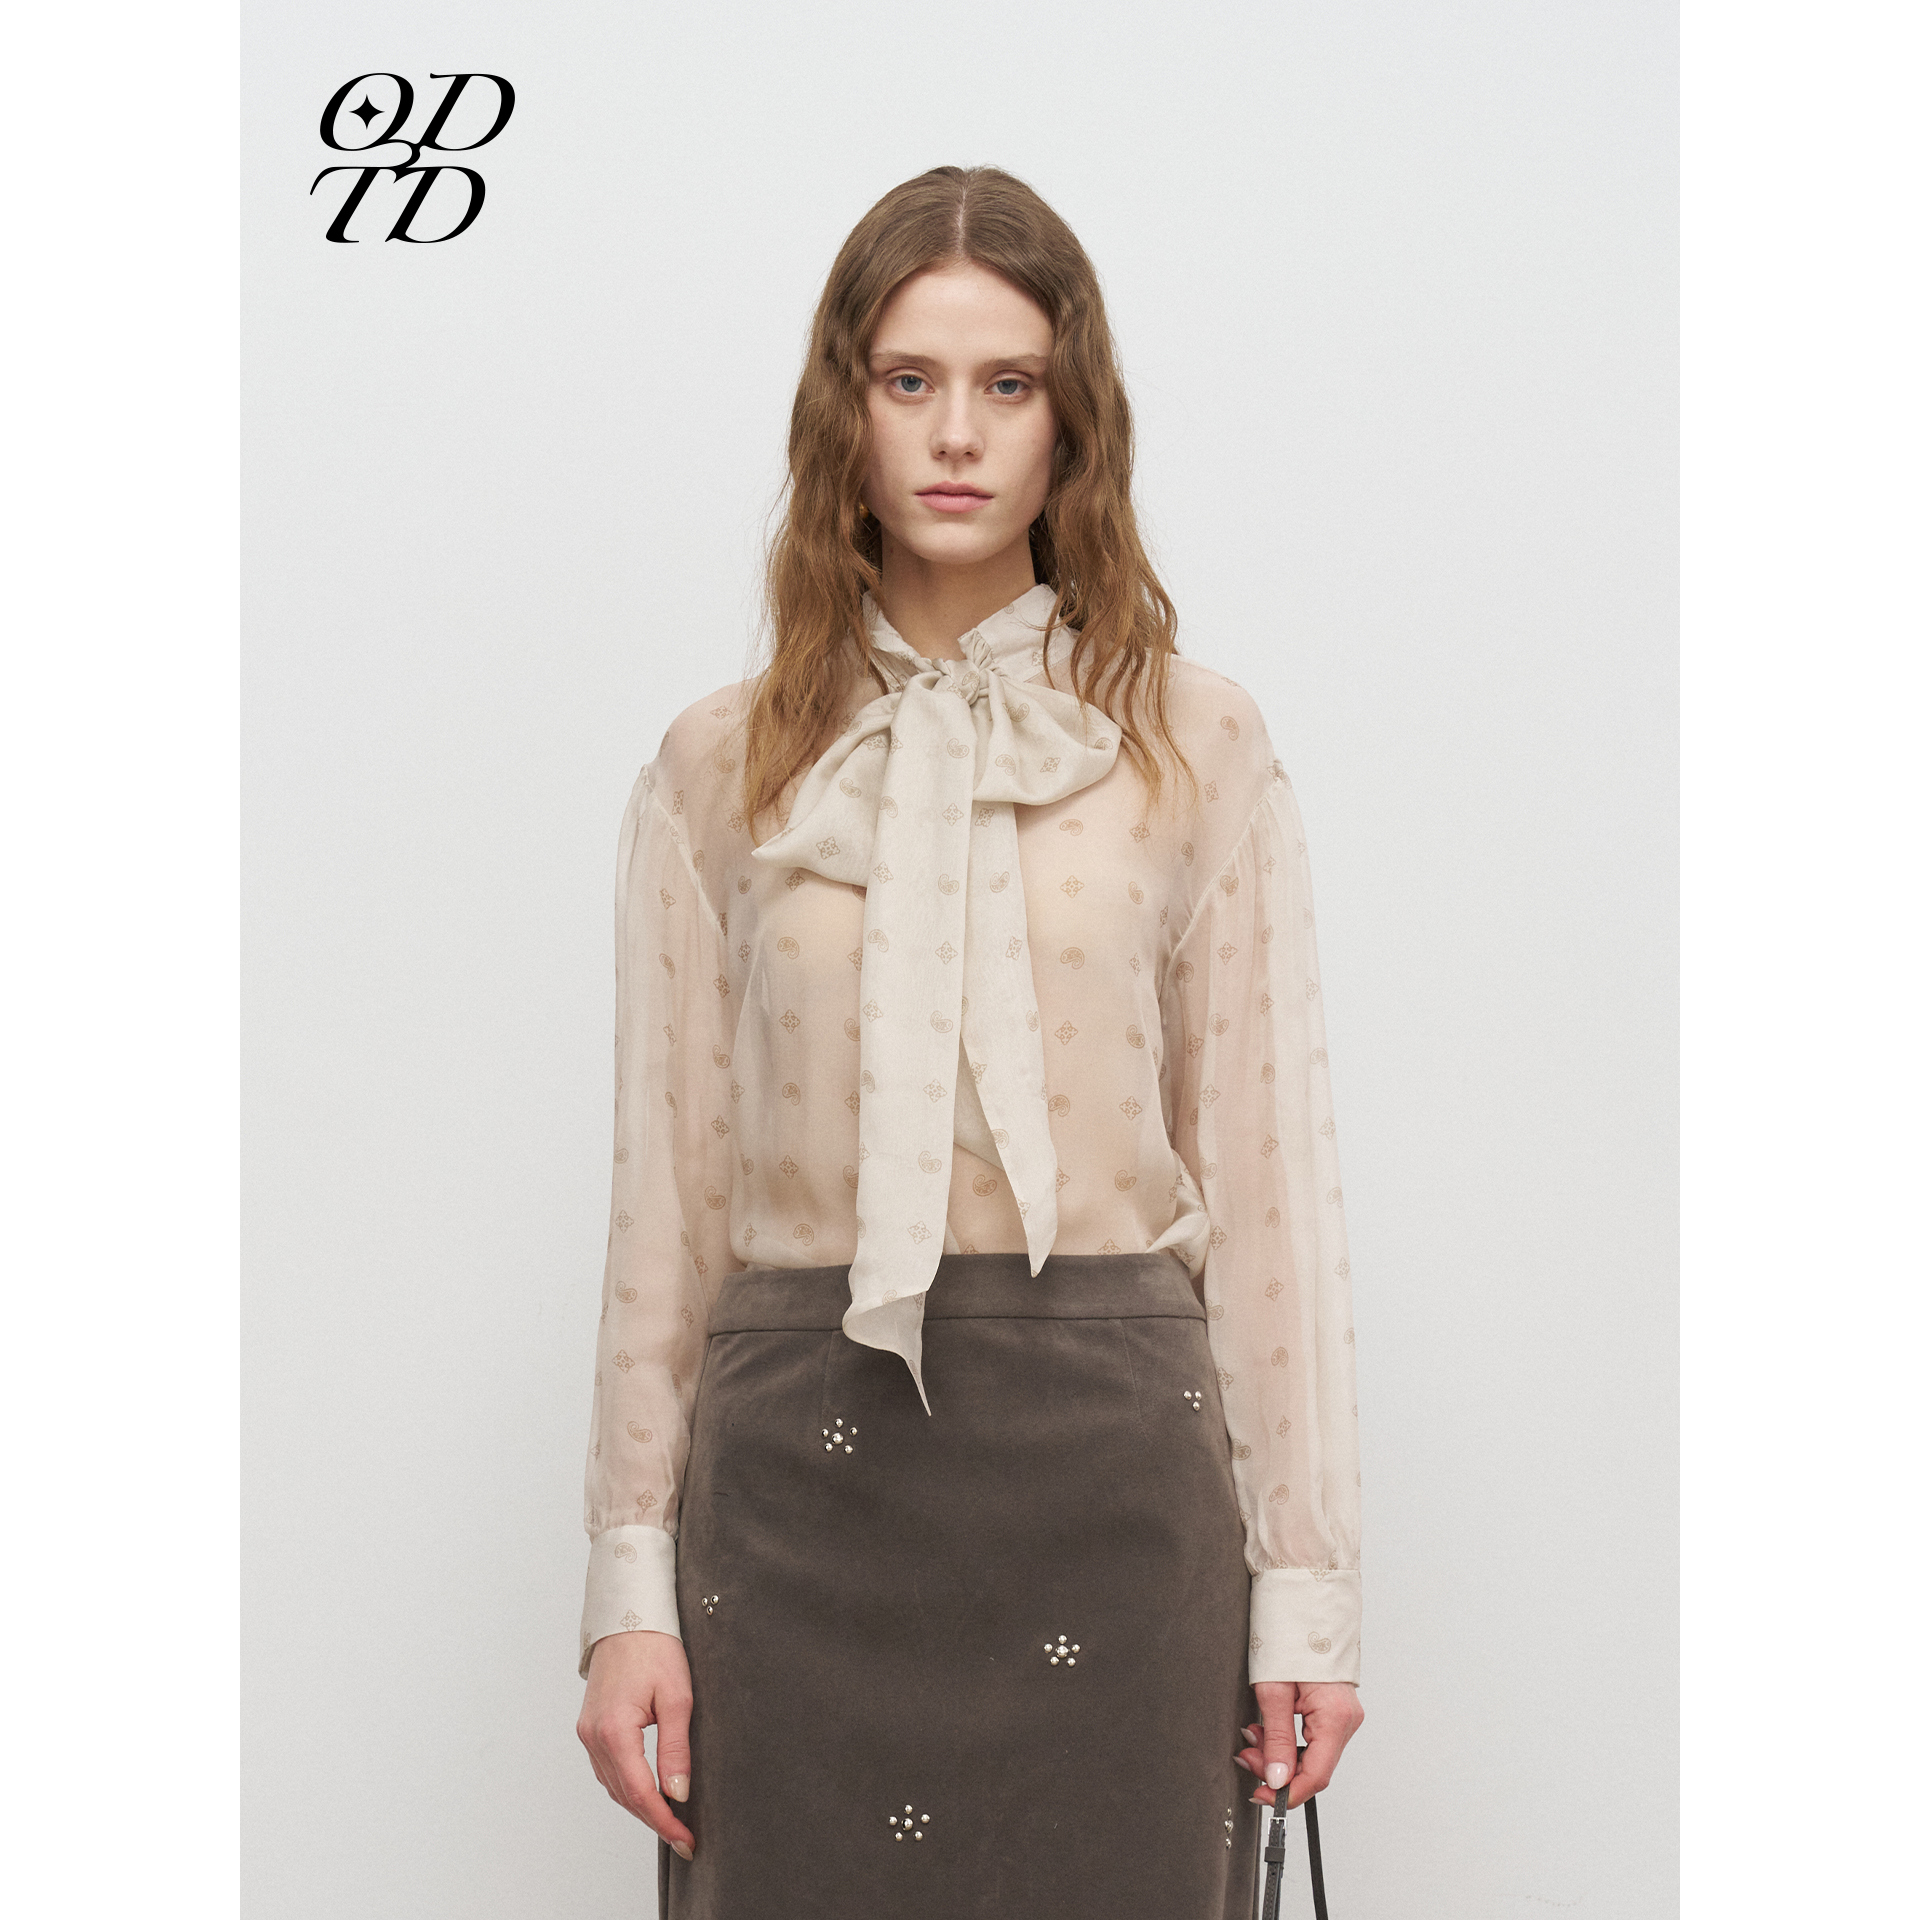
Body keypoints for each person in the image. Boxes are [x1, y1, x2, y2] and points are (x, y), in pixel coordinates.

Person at [574, 164, 1364, 1919]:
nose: (955, 434)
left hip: (1113, 1481)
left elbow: (1269, 1183)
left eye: (1009, 384)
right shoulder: (718, 766)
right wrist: (629, 1593)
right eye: (907, 380)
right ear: (840, 413)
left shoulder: (1194, 745)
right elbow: (665, 1209)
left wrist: (1306, 1594)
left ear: (1072, 423)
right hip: (800, 1496)